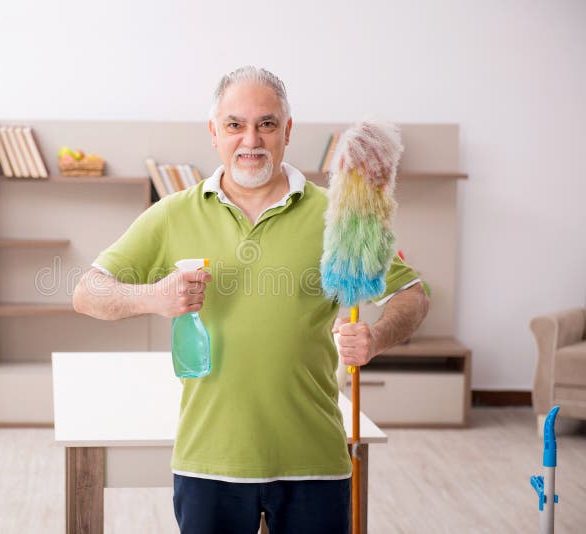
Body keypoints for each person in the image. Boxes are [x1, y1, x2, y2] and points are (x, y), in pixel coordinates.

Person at [73, 66, 429, 534]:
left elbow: (413, 296)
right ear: (214, 133)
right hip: (208, 462)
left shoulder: (337, 217)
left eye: (265, 123)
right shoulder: (173, 214)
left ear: (287, 131)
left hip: (314, 461)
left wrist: (376, 337)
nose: (251, 140)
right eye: (235, 125)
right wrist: (155, 296)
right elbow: (87, 292)